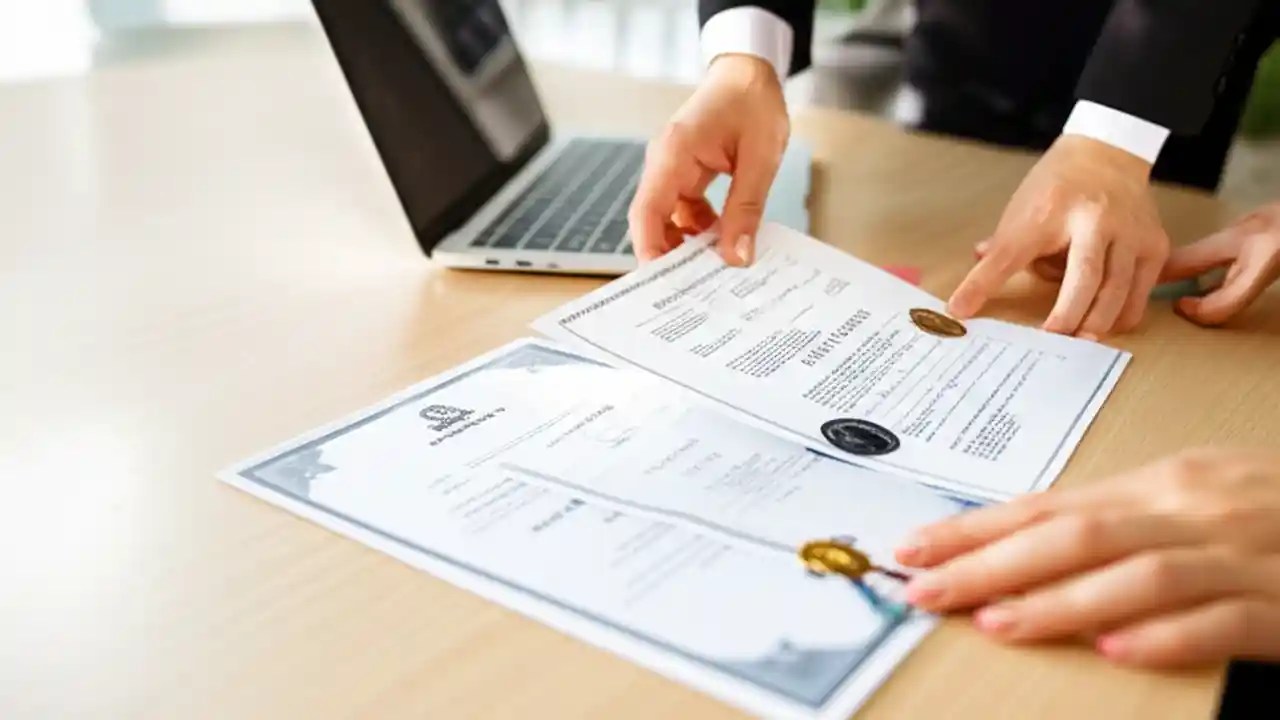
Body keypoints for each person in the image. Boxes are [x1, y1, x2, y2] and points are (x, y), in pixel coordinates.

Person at [629, 1, 1280, 340]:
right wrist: (744, 54)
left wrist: (1116, 133)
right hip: (970, 49)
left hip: (1170, 66)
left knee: (1118, 280)